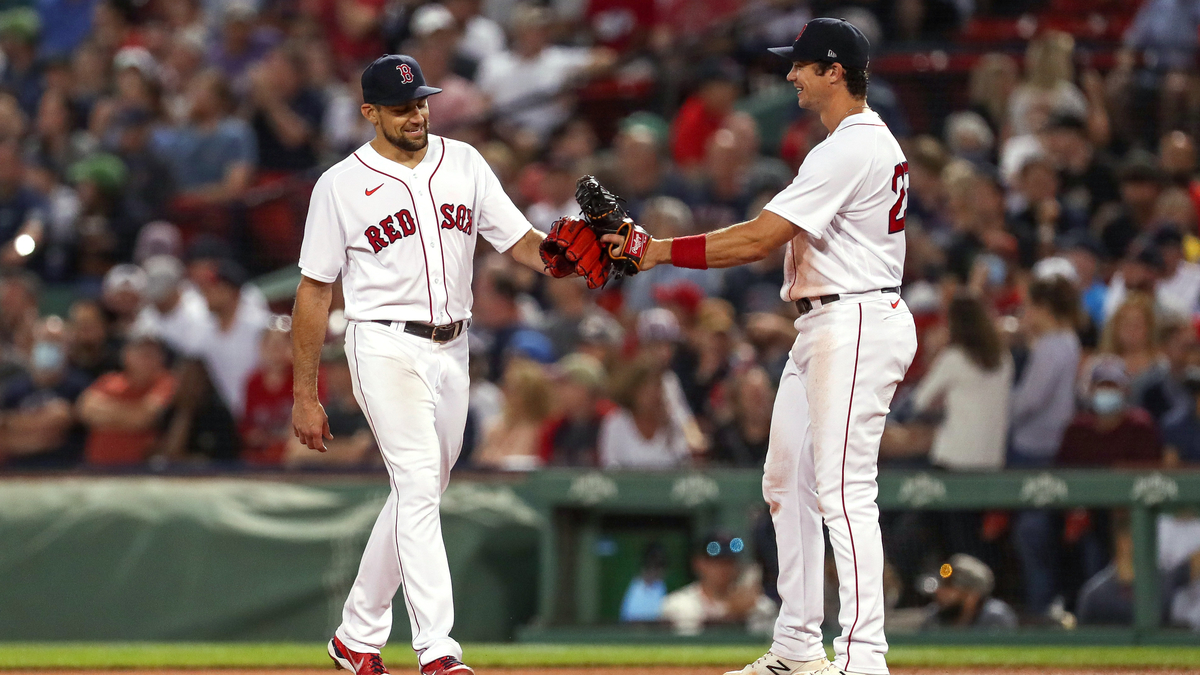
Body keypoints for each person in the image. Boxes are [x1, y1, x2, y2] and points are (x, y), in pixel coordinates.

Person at [603, 19, 917, 675]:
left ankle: (866, 657)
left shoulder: (849, 148)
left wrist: (659, 250)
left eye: (802, 65)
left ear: (835, 71)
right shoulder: (850, 143)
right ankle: (800, 645)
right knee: (785, 479)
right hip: (828, 321)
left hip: (855, 317)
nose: (790, 75)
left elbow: (757, 238)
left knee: (842, 487)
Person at [290, 54, 573, 675]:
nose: (416, 114)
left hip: (454, 348)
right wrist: (304, 393)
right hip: (383, 343)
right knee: (418, 483)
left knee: (421, 492)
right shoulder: (340, 183)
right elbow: (314, 290)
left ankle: (355, 635)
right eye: (400, 107)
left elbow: (521, 241)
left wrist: (567, 259)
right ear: (369, 113)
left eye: (420, 102)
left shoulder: (464, 161)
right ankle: (438, 650)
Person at [910, 294, 1013, 471]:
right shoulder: (1004, 359)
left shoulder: (954, 359)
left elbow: (919, 402)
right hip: (993, 459)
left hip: (955, 460)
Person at [1009, 277, 1081, 468]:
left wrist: (1002, 410)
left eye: (1028, 305)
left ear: (1044, 308)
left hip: (1034, 443)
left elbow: (1031, 400)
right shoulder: (1068, 338)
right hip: (1054, 437)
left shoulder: (1051, 347)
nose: (1025, 312)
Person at [76, 333, 176, 466]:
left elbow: (142, 418)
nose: (148, 359)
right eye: (142, 353)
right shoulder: (108, 380)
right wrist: (131, 412)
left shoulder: (165, 381)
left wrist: (105, 415)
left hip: (136, 469)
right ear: (127, 355)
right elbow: (84, 411)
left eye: (154, 354)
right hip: (96, 467)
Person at [660, 532, 776, 636]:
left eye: (729, 561)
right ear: (698, 563)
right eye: (716, 562)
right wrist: (731, 616)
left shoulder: (760, 606)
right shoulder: (678, 604)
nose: (724, 568)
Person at [921, 554, 1017, 629]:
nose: (940, 591)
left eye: (949, 586)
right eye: (941, 584)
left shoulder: (995, 618)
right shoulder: (934, 618)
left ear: (973, 594)